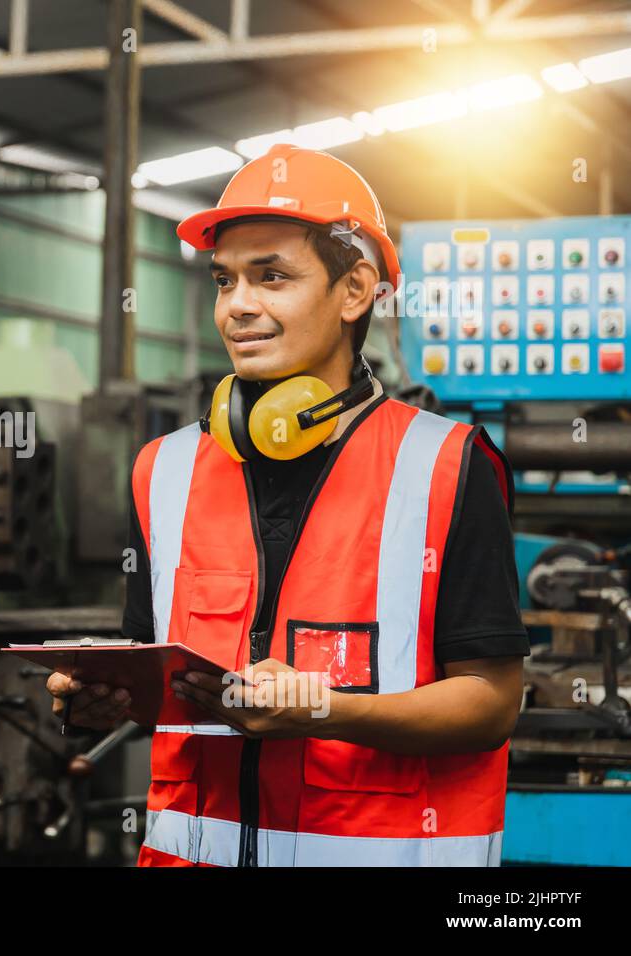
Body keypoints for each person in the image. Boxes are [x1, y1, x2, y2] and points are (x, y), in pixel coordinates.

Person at [47, 143, 528, 866]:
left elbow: (492, 702)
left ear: (355, 290)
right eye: (225, 280)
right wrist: (105, 702)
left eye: (272, 277)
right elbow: (158, 682)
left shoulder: (447, 465)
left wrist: (326, 711)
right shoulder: (165, 469)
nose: (238, 306)